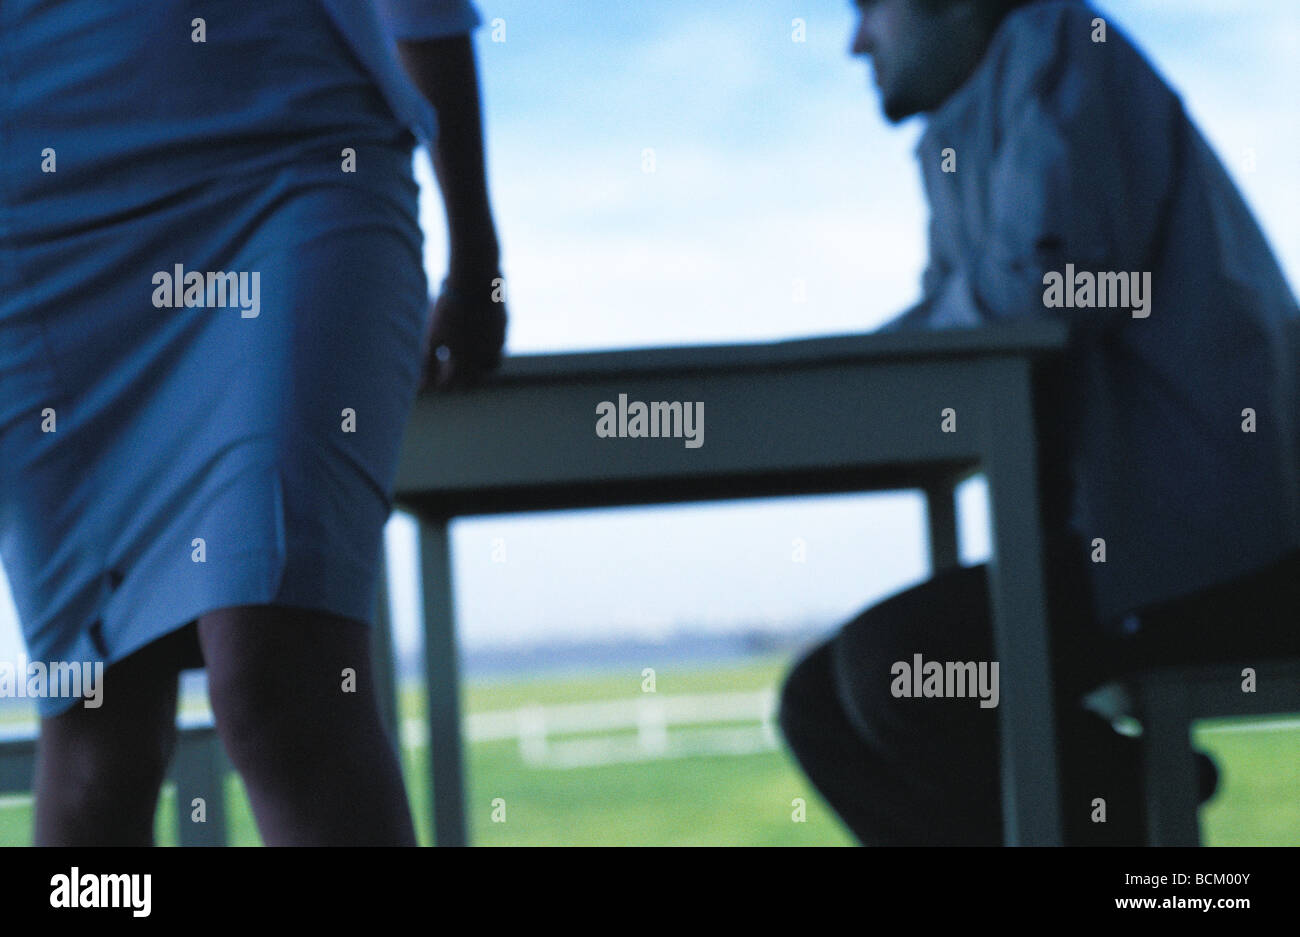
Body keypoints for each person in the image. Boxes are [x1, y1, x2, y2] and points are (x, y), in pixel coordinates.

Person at [778, 0, 1300, 845]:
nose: (854, 42)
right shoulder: (971, 127)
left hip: (1226, 548)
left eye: (870, 7)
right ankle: (1119, 797)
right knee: (819, 699)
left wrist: (848, 376)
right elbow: (979, 317)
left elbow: (1039, 289)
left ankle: (1123, 809)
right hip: (1134, 549)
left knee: (896, 674)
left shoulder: (1059, 47)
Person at [0, 0, 505, 845]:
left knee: (282, 669)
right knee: (96, 724)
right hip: (40, 228)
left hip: (288, 148)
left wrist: (477, 250)